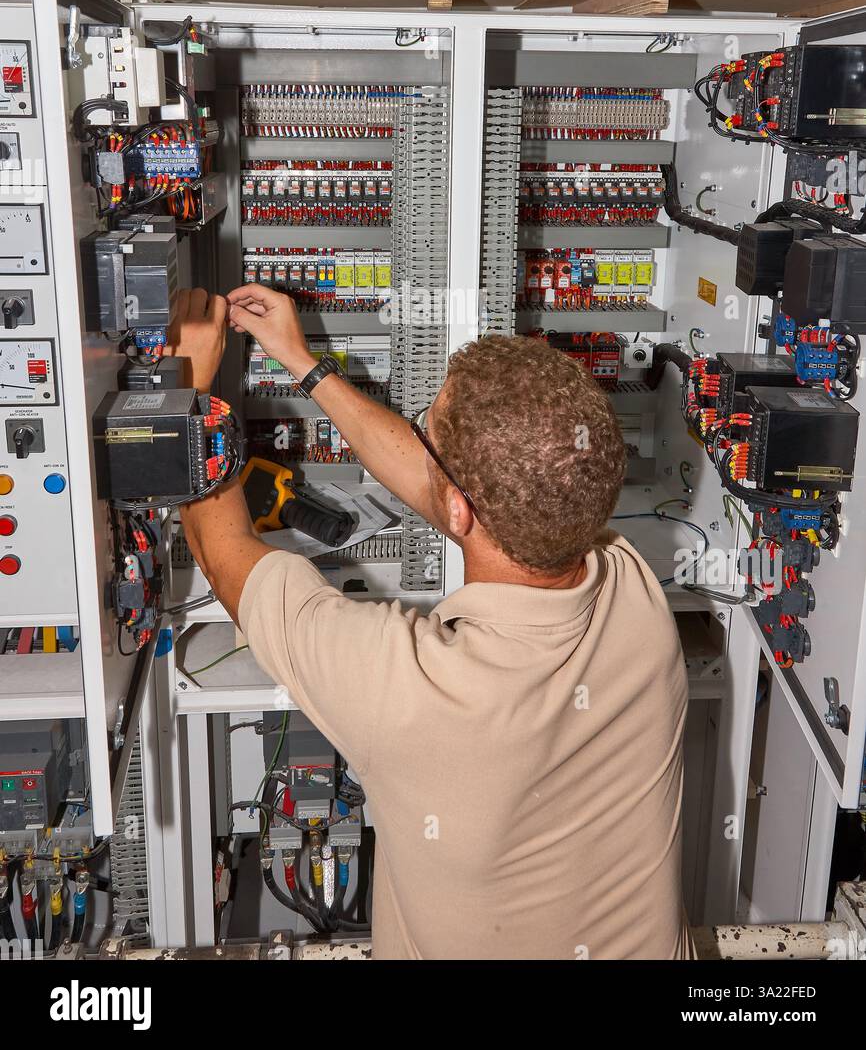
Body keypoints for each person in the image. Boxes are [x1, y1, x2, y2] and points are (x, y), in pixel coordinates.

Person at [169, 285, 693, 961]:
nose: (418, 440)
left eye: (426, 426)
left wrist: (186, 387)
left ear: (459, 512)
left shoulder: (410, 691)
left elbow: (224, 553)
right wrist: (304, 364)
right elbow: (442, 483)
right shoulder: (634, 595)